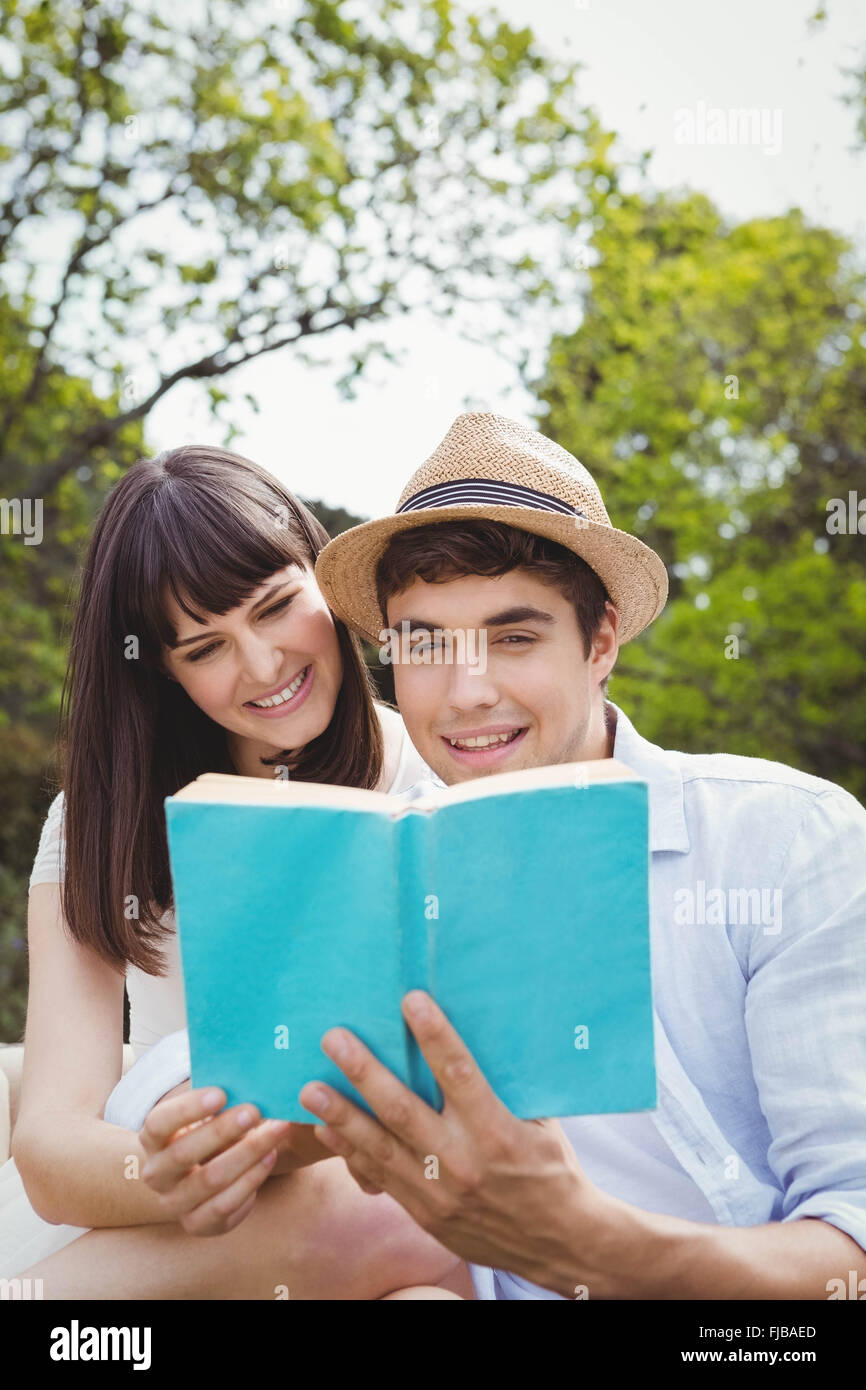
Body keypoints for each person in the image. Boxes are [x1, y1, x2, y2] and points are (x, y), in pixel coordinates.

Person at [297, 409, 866, 1299]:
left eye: (514, 638)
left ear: (600, 643)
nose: (465, 693)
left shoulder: (786, 842)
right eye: (425, 646)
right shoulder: (384, 867)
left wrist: (584, 1243)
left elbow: (853, 1256)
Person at [2, 444, 470, 1298]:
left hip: (406, 1206)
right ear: (163, 670)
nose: (262, 667)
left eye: (277, 607)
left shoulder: (444, 775)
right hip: (182, 1196)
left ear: (322, 574)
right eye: (205, 647)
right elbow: (51, 1146)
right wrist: (165, 1168)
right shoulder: (103, 818)